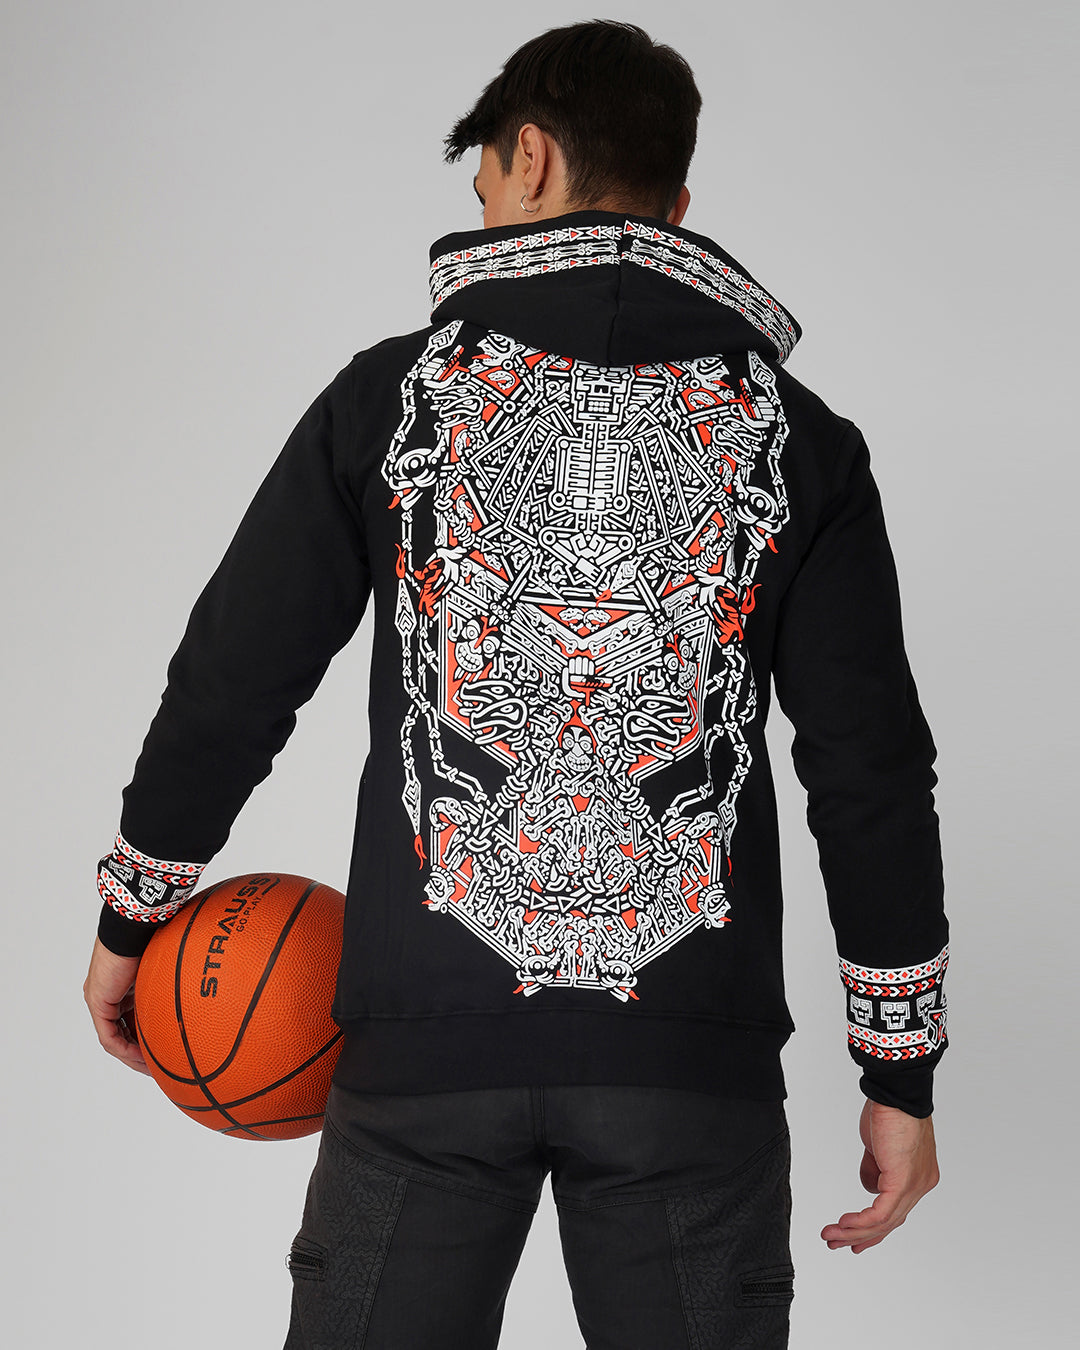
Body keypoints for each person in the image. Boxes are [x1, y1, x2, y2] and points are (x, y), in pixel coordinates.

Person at [83, 19, 949, 1349]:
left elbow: (234, 680)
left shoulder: (392, 399)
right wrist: (900, 1070)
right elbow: (869, 769)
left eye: (483, 175)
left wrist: (135, 913)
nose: (482, 203)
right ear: (676, 205)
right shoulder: (800, 440)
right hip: (686, 1062)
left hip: (424, 1047)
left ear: (529, 157)